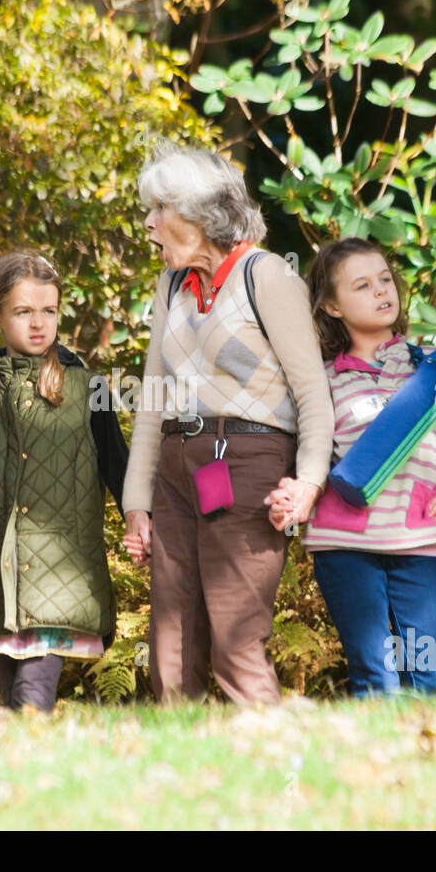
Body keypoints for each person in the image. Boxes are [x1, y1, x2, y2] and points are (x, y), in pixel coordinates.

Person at [267, 237, 436, 696]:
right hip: (342, 546)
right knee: (375, 679)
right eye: (363, 286)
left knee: (434, 679)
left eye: (385, 280)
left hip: (417, 543)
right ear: (331, 306)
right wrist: (289, 496)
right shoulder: (320, 380)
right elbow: (299, 452)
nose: (382, 291)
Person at [119, 142, 334, 705]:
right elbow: (153, 398)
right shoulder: (170, 285)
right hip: (176, 465)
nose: (148, 223)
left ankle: (270, 766)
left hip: (247, 462)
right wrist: (135, 502)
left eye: (158, 211)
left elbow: (313, 393)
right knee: (169, 645)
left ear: (197, 212)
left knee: (235, 638)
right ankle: (181, 777)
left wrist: (308, 483)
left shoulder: (267, 276)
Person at [0, 251, 129, 712]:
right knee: (9, 693)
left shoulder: (86, 389)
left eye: (49, 311)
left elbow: (119, 468)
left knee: (32, 698)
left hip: (61, 578)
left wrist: (141, 522)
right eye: (24, 311)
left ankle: (25, 777)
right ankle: (15, 780)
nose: (39, 323)